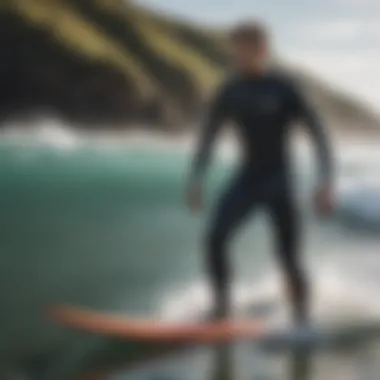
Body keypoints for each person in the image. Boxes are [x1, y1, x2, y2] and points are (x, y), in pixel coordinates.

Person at [186, 21, 334, 327]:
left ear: (263, 50)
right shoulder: (230, 90)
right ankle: (222, 309)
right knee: (214, 238)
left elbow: (319, 133)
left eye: (247, 49)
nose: (240, 56)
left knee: (288, 258)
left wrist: (325, 181)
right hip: (249, 179)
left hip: (281, 182)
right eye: (236, 50)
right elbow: (209, 135)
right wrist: (196, 178)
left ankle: (302, 319)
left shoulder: (285, 88)